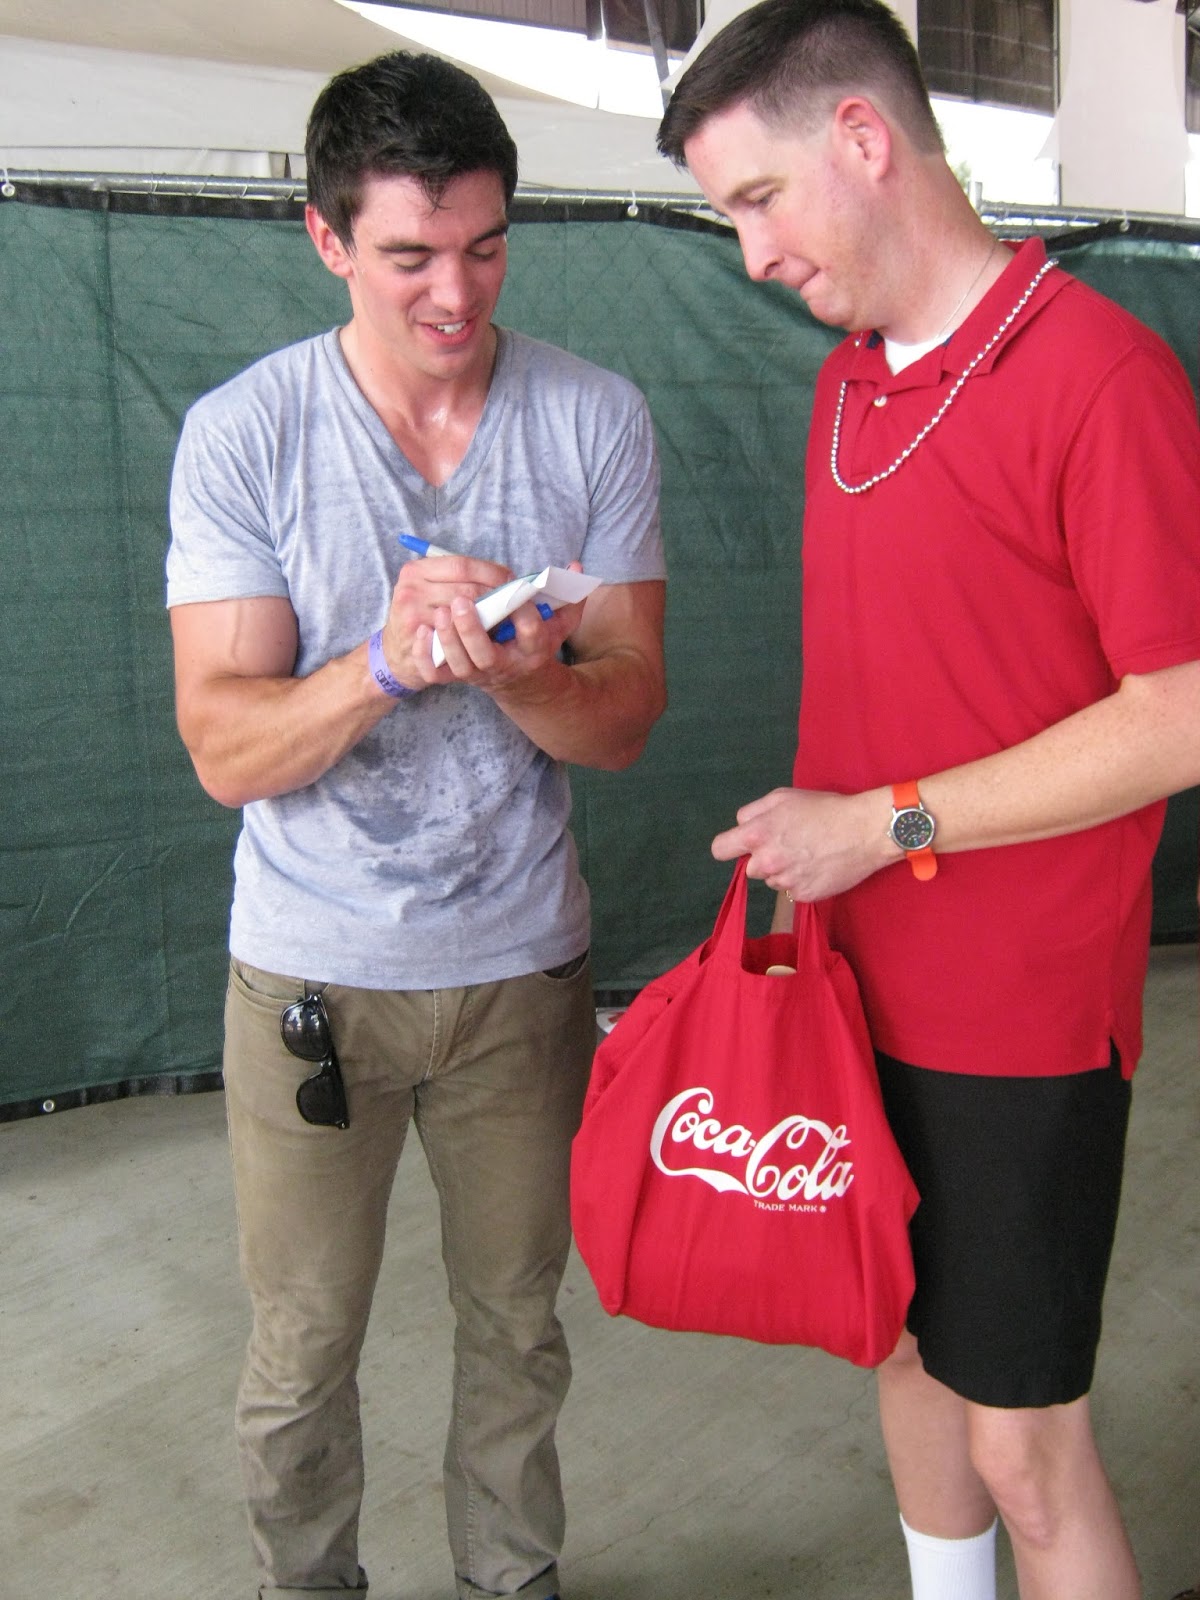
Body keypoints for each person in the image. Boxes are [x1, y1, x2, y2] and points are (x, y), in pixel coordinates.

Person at [657, 3, 1200, 1598]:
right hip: (849, 993)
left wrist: (882, 820)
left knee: (1030, 1447)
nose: (750, 255)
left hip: (1021, 1018)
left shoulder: (1099, 374)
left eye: (757, 202)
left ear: (864, 141)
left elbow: (1181, 713)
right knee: (891, 1352)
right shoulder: (847, 390)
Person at [166, 49, 666, 1600]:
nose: (456, 291)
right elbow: (224, 747)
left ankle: (511, 1586)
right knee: (304, 1348)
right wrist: (381, 666)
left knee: (518, 1325)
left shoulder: (594, 419)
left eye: (486, 244)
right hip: (311, 974)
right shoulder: (244, 435)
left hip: (523, 968)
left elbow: (632, 708)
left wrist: (523, 675)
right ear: (327, 240)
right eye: (408, 255)